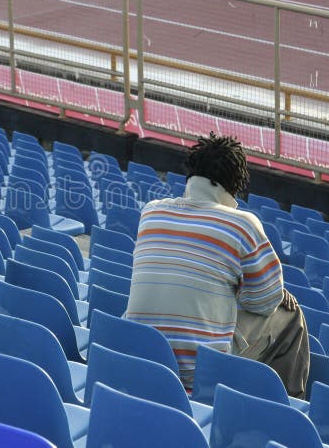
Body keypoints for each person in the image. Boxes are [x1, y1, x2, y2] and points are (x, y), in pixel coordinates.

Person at [124, 132, 309, 398]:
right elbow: (266, 302)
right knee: (292, 315)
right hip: (199, 372)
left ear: (192, 171)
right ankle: (282, 410)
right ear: (235, 185)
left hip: (140, 358)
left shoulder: (151, 211)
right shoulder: (242, 224)